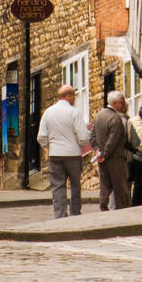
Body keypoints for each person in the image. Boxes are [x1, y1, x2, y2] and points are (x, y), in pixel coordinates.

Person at [37, 84, 90, 219]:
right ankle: (75, 213)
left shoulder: (48, 112)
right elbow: (83, 137)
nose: (75, 99)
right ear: (69, 96)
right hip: (73, 155)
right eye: (74, 96)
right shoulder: (74, 112)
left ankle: (60, 215)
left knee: (57, 186)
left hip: (55, 154)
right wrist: (79, 145)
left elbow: (41, 136)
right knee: (75, 186)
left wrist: (51, 145)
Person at [89, 90, 131, 211]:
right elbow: (113, 141)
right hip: (115, 157)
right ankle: (121, 211)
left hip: (102, 157)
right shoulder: (116, 118)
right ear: (115, 103)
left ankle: (103, 205)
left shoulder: (98, 115)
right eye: (122, 103)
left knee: (105, 185)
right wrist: (105, 154)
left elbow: (92, 137)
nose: (123, 105)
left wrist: (97, 151)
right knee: (120, 187)